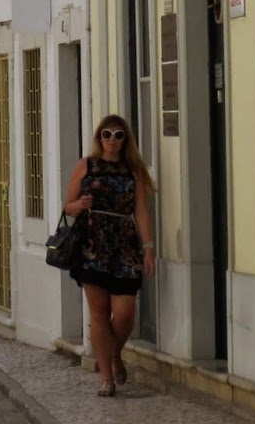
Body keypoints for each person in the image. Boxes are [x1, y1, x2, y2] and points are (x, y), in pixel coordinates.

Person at [63, 113, 155, 398]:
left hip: (125, 246)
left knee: (126, 313)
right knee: (99, 313)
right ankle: (106, 378)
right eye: (107, 134)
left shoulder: (134, 171)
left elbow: (141, 210)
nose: (112, 140)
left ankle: (114, 354)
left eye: (118, 135)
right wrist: (79, 204)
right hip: (92, 245)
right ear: (99, 138)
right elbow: (67, 207)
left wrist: (148, 247)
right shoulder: (85, 166)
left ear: (125, 140)